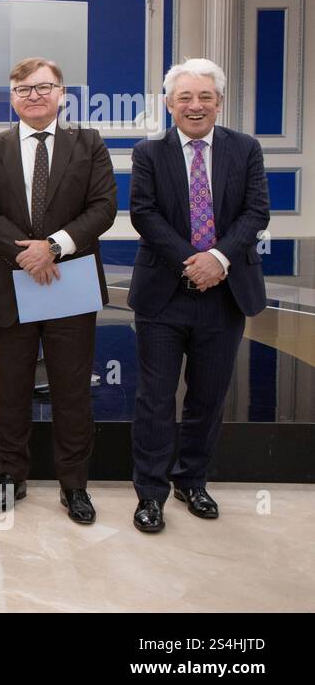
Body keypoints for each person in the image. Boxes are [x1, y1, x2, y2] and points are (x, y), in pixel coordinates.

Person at [0, 56, 117, 524]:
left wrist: (52, 247)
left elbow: (103, 207)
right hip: (11, 283)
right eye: (24, 89)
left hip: (69, 283)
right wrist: (27, 254)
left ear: (61, 94)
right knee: (11, 390)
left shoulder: (88, 143)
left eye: (44, 87)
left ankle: (75, 487)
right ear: (12, 98)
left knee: (72, 391)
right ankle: (11, 476)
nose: (34, 95)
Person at [127, 58, 270, 533]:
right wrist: (193, 260)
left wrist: (219, 261)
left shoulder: (245, 149)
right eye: (185, 97)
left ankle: (193, 480)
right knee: (155, 398)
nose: (195, 105)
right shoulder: (149, 152)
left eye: (204, 96)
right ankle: (150, 494)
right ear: (169, 104)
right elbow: (144, 214)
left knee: (208, 397)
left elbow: (256, 212)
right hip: (164, 292)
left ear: (219, 102)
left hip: (225, 292)